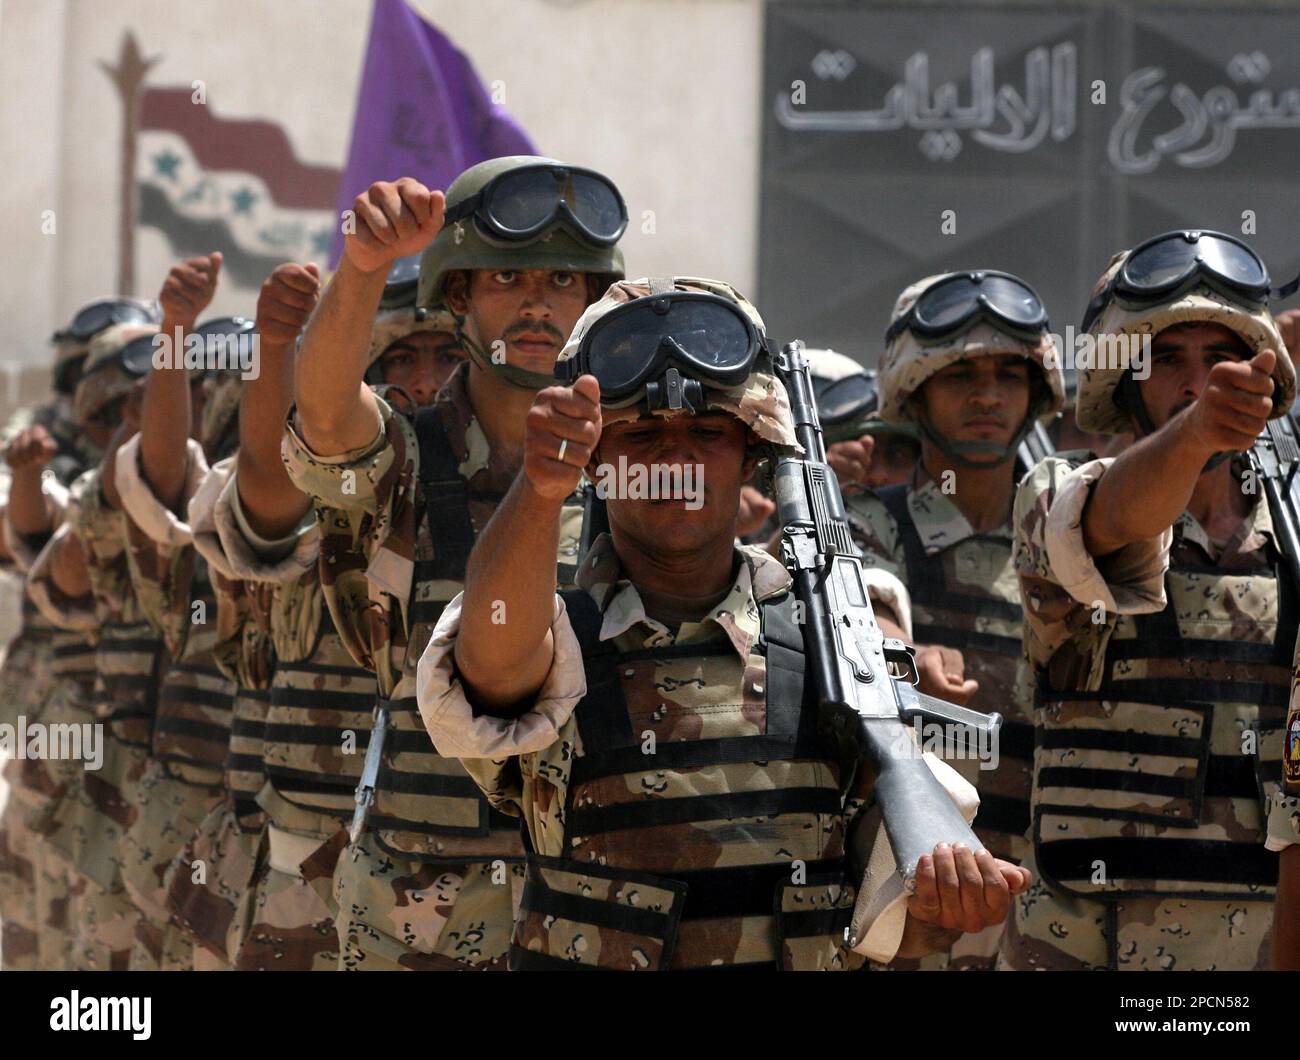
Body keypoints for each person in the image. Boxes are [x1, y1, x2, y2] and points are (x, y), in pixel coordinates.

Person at [419, 276, 1031, 970]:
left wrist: (944, 905)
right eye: (642, 434)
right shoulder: (554, 636)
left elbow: (892, 918)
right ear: (599, 462)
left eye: (708, 433)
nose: (674, 459)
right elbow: (493, 665)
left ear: (753, 455)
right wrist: (539, 486)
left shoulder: (827, 637)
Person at [285, 157, 626, 969]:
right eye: (509, 277)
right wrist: (364, 267)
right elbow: (327, 420)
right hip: (420, 903)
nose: (541, 302)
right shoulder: (406, 455)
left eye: (566, 281)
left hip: (597, 898)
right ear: (460, 296)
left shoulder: (629, 469)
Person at [996, 229, 1296, 970]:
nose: (1196, 383)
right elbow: (1115, 518)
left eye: (1219, 359)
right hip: (1086, 937)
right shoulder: (1054, 492)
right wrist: (1196, 434)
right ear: (1123, 381)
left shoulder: (1291, 531)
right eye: (1167, 360)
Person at [844, 272, 1064, 969]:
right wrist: (903, 655)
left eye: (1008, 375)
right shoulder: (863, 522)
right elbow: (861, 601)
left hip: (1045, 902)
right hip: (908, 894)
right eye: (960, 374)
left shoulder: (1067, 537)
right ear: (915, 390)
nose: (987, 396)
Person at [0, 298, 148, 967]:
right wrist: (32, 470)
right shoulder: (61, 452)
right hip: (65, 704)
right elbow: (31, 534)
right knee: (46, 898)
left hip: (148, 736)